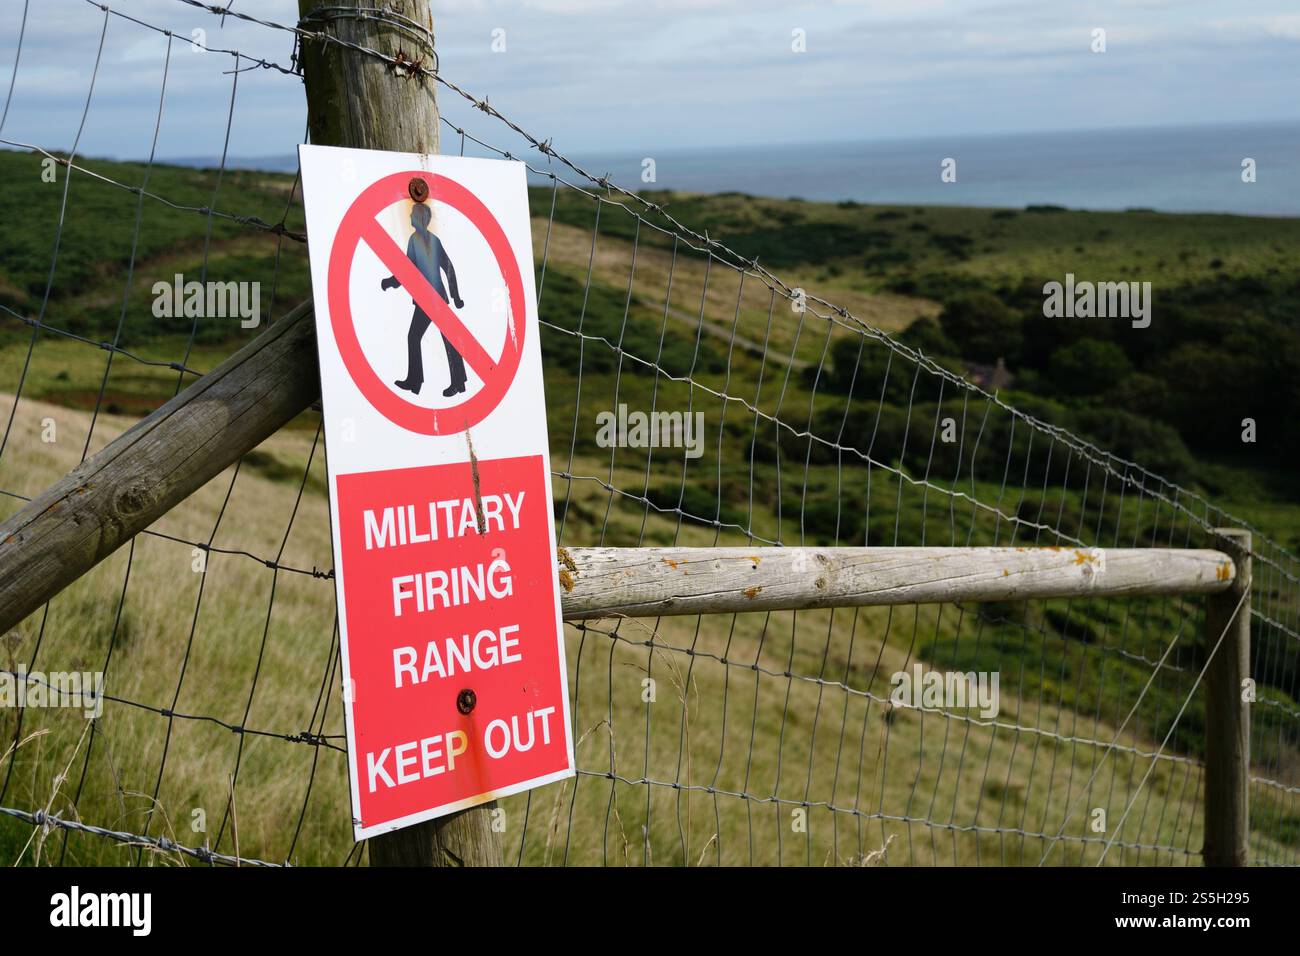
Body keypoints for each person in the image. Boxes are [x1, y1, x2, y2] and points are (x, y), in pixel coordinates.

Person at [380, 203, 467, 397]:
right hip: (427, 298)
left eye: (412, 214)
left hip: (432, 298)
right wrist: (392, 282)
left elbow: (446, 266)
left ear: (420, 219)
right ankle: (419, 381)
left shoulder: (423, 240)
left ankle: (430, 382)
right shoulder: (421, 239)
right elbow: (408, 269)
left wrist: (456, 296)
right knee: (428, 338)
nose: (409, 216)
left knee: (437, 339)